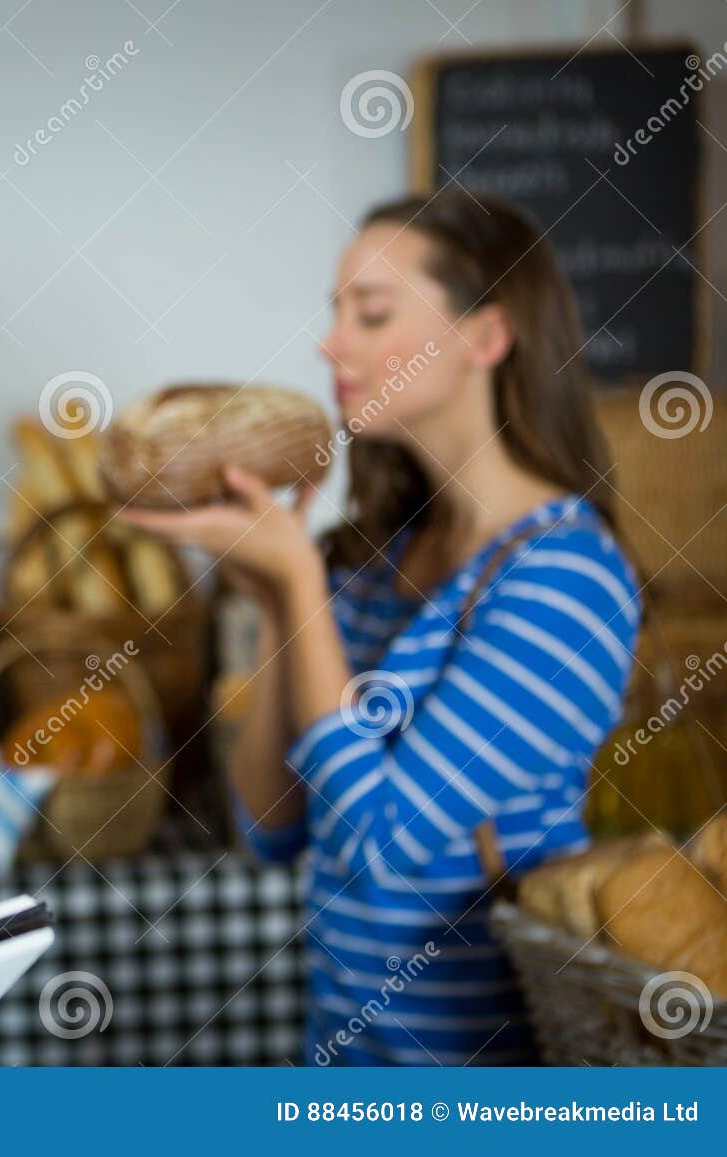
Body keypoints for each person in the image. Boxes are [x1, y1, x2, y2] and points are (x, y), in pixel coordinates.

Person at [120, 190, 639, 1065]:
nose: (332, 344)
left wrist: (298, 582)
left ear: (486, 336)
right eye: (335, 315)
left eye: (371, 314)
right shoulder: (373, 558)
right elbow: (271, 827)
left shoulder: (567, 581)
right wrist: (278, 599)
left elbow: (380, 843)